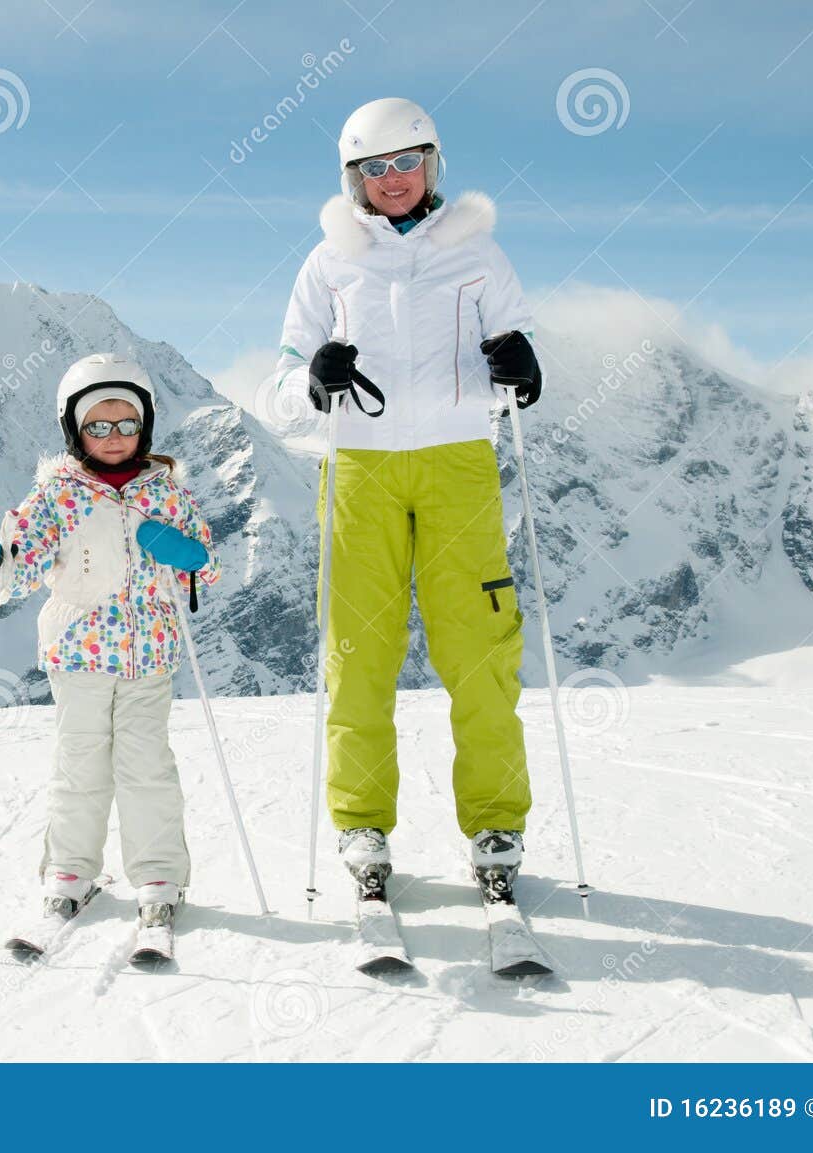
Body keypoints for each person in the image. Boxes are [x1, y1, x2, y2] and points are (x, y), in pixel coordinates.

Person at [261, 97, 545, 902]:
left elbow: (522, 361)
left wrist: (524, 368)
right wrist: (309, 382)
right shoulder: (327, 264)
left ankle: (495, 820)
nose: (392, 180)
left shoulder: (480, 255)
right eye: (373, 168)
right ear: (352, 178)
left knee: (481, 650)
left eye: (406, 162)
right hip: (360, 468)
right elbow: (281, 384)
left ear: (434, 163)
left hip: (458, 463)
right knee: (359, 653)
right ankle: (361, 820)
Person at [0, 353, 220, 944]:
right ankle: (71, 871)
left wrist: (189, 556)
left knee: (146, 767)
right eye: (99, 426)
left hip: (149, 655)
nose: (114, 438)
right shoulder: (56, 496)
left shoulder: (167, 494)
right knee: (80, 765)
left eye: (127, 424)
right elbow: (21, 567)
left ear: (146, 427)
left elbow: (203, 565)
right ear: (75, 431)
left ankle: (158, 877)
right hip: (79, 654)